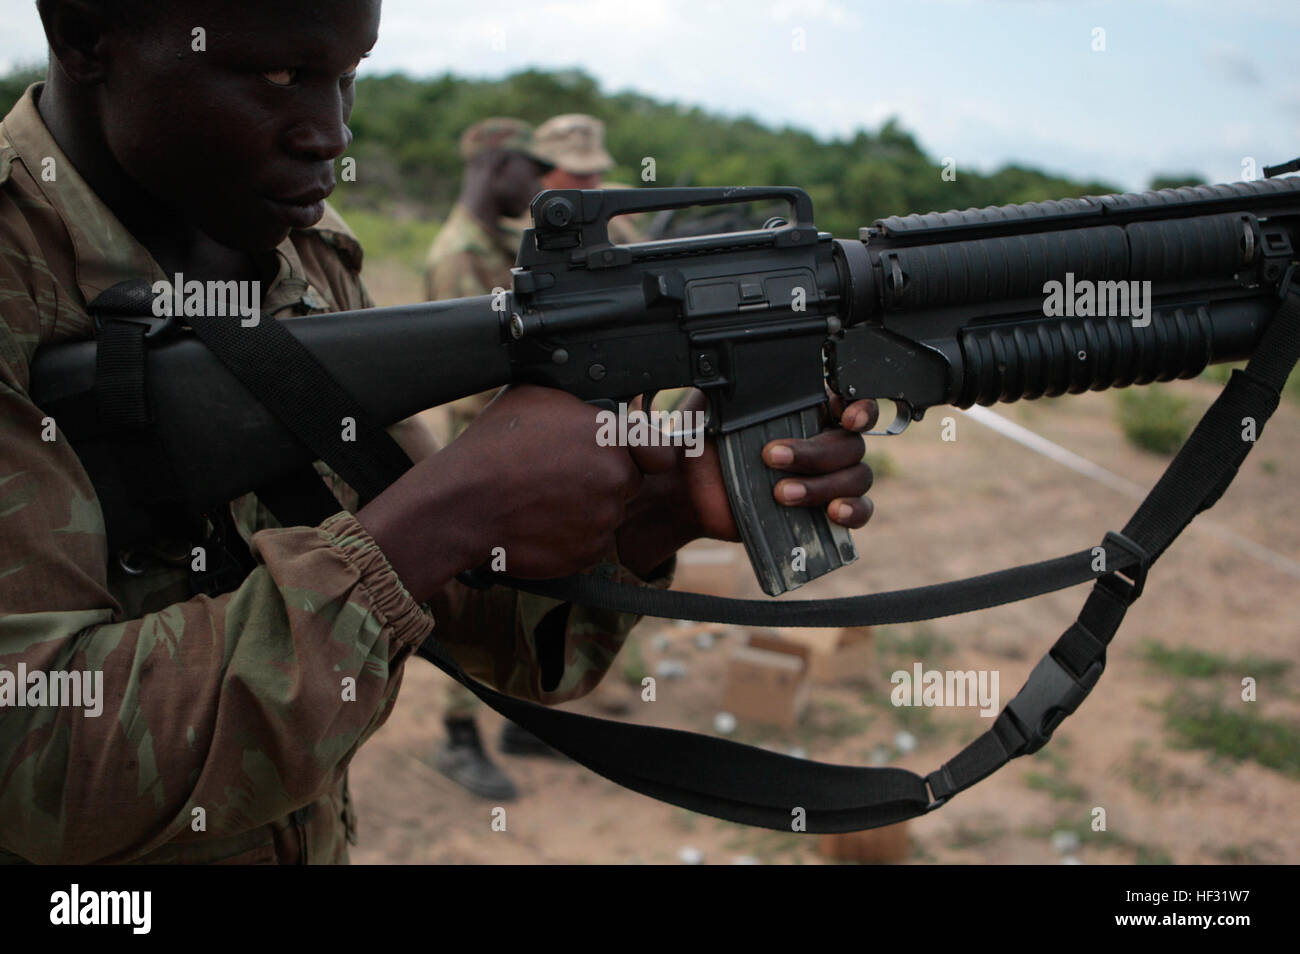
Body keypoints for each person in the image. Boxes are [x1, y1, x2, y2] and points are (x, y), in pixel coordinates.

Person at [0, 0, 877, 864]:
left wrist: (659, 509)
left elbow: (474, 620)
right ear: (83, 36)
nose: (330, 133)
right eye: (279, 75)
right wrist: (443, 516)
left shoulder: (298, 251)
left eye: (348, 76)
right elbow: (37, 768)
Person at [422, 118, 561, 801]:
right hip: (482, 464)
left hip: (516, 457)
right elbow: (477, 385)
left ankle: (518, 721)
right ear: (498, 164)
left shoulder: (502, 243)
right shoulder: (456, 255)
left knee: (526, 596)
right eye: (529, 170)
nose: (537, 184)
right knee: (471, 608)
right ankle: (457, 738)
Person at [530, 113, 643, 244]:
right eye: (579, 174)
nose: (592, 181)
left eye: (597, 171)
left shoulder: (616, 208)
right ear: (545, 169)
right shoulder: (516, 221)